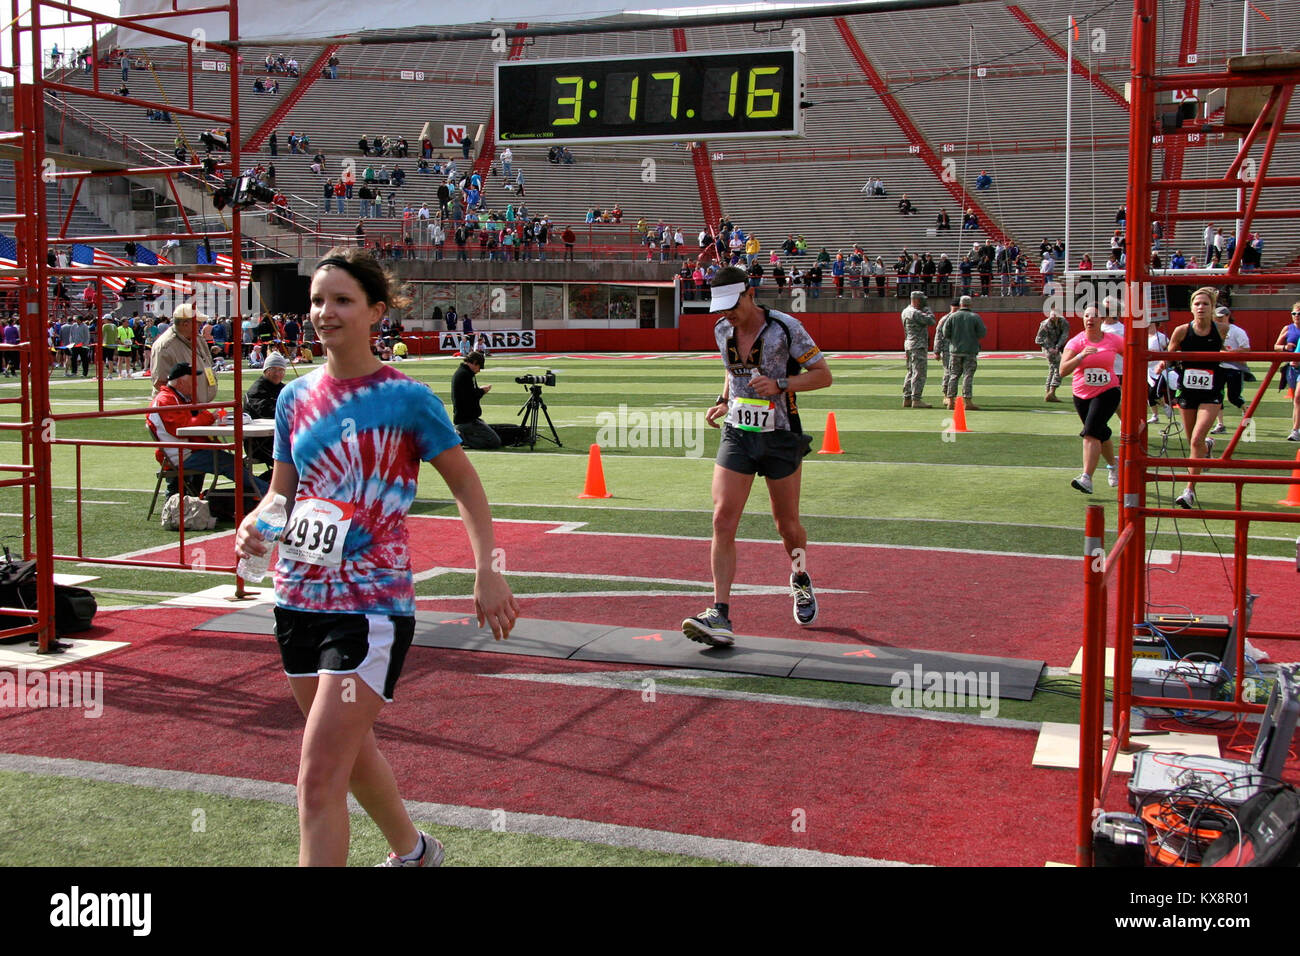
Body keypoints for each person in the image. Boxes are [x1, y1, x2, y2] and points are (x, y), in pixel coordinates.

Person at [234, 247, 517, 867]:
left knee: (316, 779)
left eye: (341, 300)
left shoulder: (407, 398)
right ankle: (416, 853)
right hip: (295, 598)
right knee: (348, 755)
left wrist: (487, 571)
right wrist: (256, 525)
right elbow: (284, 493)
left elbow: (467, 487)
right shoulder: (294, 398)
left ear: (375, 312)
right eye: (315, 300)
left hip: (372, 607)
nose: (323, 312)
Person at [681, 266, 832, 647]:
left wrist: (782, 383)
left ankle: (799, 577)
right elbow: (732, 372)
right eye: (721, 308)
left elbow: (822, 374)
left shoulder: (785, 328)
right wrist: (722, 400)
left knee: (787, 526)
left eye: (732, 305)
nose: (726, 314)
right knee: (722, 519)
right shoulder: (721, 330)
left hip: (781, 436)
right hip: (738, 433)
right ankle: (720, 612)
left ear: (750, 294)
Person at [147, 362, 269, 497]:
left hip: (187, 450)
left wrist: (208, 416)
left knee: (231, 460)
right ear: (181, 382)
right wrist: (210, 416)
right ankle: (267, 492)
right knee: (230, 462)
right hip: (182, 454)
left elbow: (193, 421)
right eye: (193, 381)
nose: (196, 385)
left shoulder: (176, 398)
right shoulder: (166, 400)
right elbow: (183, 427)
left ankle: (258, 493)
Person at [1157, 287, 1231, 509]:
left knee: (1196, 439)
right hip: (1187, 391)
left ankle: (1189, 490)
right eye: (1197, 304)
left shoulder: (1223, 330)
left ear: (1212, 308)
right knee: (1193, 442)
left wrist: (1231, 355)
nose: (1201, 307)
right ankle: (1206, 446)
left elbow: (1242, 350)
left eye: (1205, 304)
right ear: (1191, 308)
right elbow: (1170, 355)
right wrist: (1165, 362)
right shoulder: (1181, 331)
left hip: (1211, 391)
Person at [1059, 306, 1123, 494]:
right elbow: (1063, 371)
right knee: (1100, 432)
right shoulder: (1076, 342)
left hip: (1108, 390)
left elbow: (1132, 354)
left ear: (1102, 318)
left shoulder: (1113, 340)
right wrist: (1081, 356)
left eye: (1094, 316)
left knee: (1091, 432)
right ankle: (1113, 466)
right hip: (1081, 394)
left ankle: (1086, 478)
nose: (1090, 319)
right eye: (1086, 316)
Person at [150, 302, 216, 404]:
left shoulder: (198, 339)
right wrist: (185, 405)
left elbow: (208, 364)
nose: (200, 326)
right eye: (198, 322)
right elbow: (160, 382)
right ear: (186, 324)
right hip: (179, 410)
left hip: (197, 405)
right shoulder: (165, 346)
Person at [243, 351, 289, 472]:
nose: (278, 373)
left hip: (277, 439)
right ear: (266, 370)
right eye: (273, 369)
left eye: (281, 370)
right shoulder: (256, 391)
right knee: (293, 459)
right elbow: (269, 412)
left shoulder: (283, 388)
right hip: (259, 443)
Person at [941, 295, 986, 410]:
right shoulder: (975, 317)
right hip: (970, 350)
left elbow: (945, 333)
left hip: (955, 350)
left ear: (960, 304)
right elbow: (982, 333)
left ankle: (950, 400)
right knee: (968, 375)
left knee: (954, 375)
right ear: (970, 304)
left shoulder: (952, 317)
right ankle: (967, 401)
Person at [451, 350, 502, 450]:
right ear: (474, 363)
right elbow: (469, 397)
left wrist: (480, 390)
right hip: (466, 420)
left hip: (468, 418)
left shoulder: (466, 373)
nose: (479, 370)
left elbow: (469, 394)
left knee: (494, 435)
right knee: (493, 442)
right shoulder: (464, 375)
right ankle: (460, 438)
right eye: (479, 367)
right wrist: (482, 391)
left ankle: (461, 436)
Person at [1214, 306, 1250, 434]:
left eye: (1220, 317)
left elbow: (1246, 349)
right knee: (1216, 395)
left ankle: (1245, 408)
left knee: (1233, 397)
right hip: (1218, 367)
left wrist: (1228, 353)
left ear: (1227, 316)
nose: (1217, 319)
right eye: (1216, 317)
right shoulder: (1212, 330)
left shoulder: (1237, 331)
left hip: (1234, 367)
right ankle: (1220, 424)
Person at [900, 290, 936, 408]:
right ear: (916, 300)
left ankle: (907, 398)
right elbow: (931, 320)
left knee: (910, 371)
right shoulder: (915, 312)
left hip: (909, 344)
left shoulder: (905, 311)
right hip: (918, 345)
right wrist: (927, 310)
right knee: (919, 373)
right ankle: (916, 399)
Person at [1274, 302, 1300, 441]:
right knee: (1296, 400)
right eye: (1294, 313)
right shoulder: (1288, 328)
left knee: (1298, 397)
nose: (1296, 316)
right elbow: (1276, 346)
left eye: (1299, 313)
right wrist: (1285, 347)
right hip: (1292, 368)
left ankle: (1295, 430)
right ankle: (1296, 429)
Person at [1036, 307, 1070, 402]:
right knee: (1059, 368)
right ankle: (1052, 391)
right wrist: (1050, 348)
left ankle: (1049, 392)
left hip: (1057, 346)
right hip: (1048, 346)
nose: (1053, 317)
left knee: (1053, 369)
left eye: (1055, 315)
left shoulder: (1063, 322)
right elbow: (1038, 339)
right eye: (1052, 315)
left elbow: (1064, 335)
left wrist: (1058, 347)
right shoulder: (1045, 324)